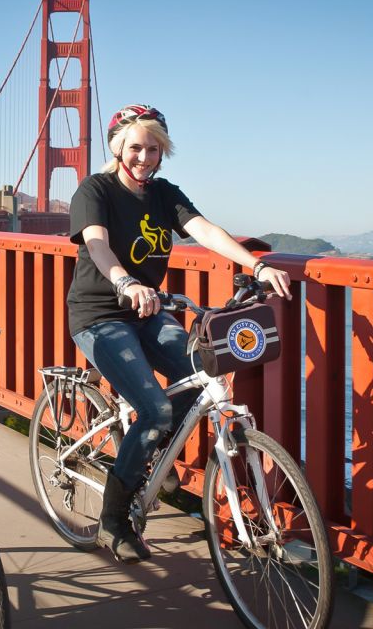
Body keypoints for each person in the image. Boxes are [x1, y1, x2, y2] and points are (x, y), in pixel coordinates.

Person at [67, 104, 292, 562]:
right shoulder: (96, 190)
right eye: (135, 147)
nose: (145, 158)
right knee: (153, 409)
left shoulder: (164, 193)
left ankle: (153, 449)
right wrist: (125, 281)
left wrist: (257, 264)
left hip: (147, 311)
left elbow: (203, 230)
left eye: (154, 149)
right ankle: (114, 522)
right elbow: (96, 243)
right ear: (117, 147)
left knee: (202, 372)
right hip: (99, 314)